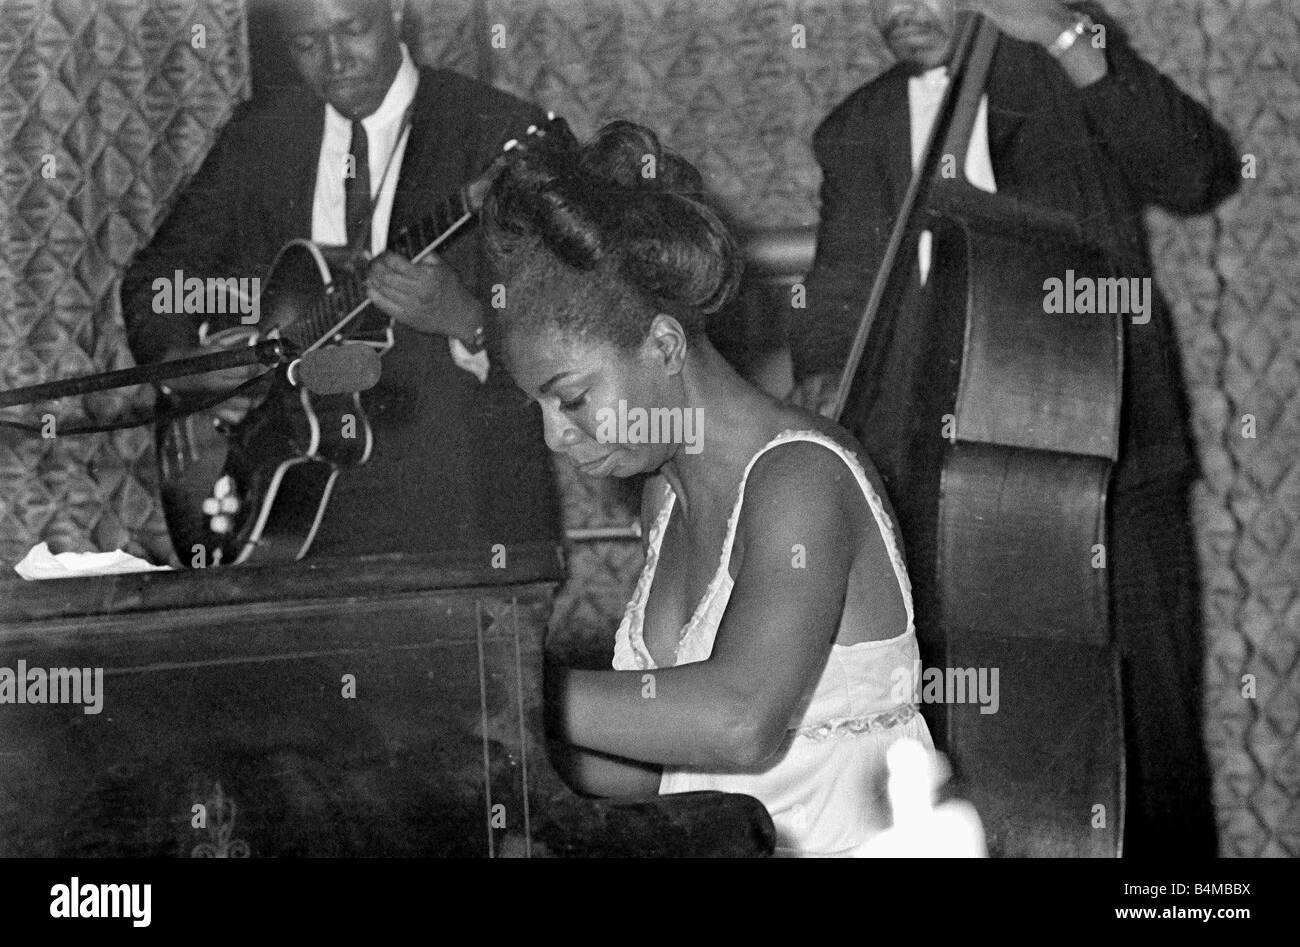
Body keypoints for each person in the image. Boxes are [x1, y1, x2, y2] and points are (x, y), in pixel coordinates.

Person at [788, 0, 1239, 857]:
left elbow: (1194, 171)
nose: (898, 10)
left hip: (1104, 468)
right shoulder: (857, 129)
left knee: (1155, 746)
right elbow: (836, 300)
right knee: (994, 748)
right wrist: (823, 380)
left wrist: (1064, 34)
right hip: (938, 491)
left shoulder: (1059, 71)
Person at [481, 119, 934, 856]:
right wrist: (501, 748)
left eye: (572, 398)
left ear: (664, 345)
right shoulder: (666, 498)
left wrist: (510, 687)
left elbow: (740, 721)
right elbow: (671, 771)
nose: (556, 435)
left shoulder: (801, 478)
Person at [120, 0, 560, 559]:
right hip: (285, 509)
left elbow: (571, 326)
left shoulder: (496, 130)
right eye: (306, 43)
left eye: (352, 30)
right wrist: (189, 367)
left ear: (396, 10)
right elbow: (158, 282)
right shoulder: (262, 134)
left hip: (461, 516)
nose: (334, 61)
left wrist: (468, 320)